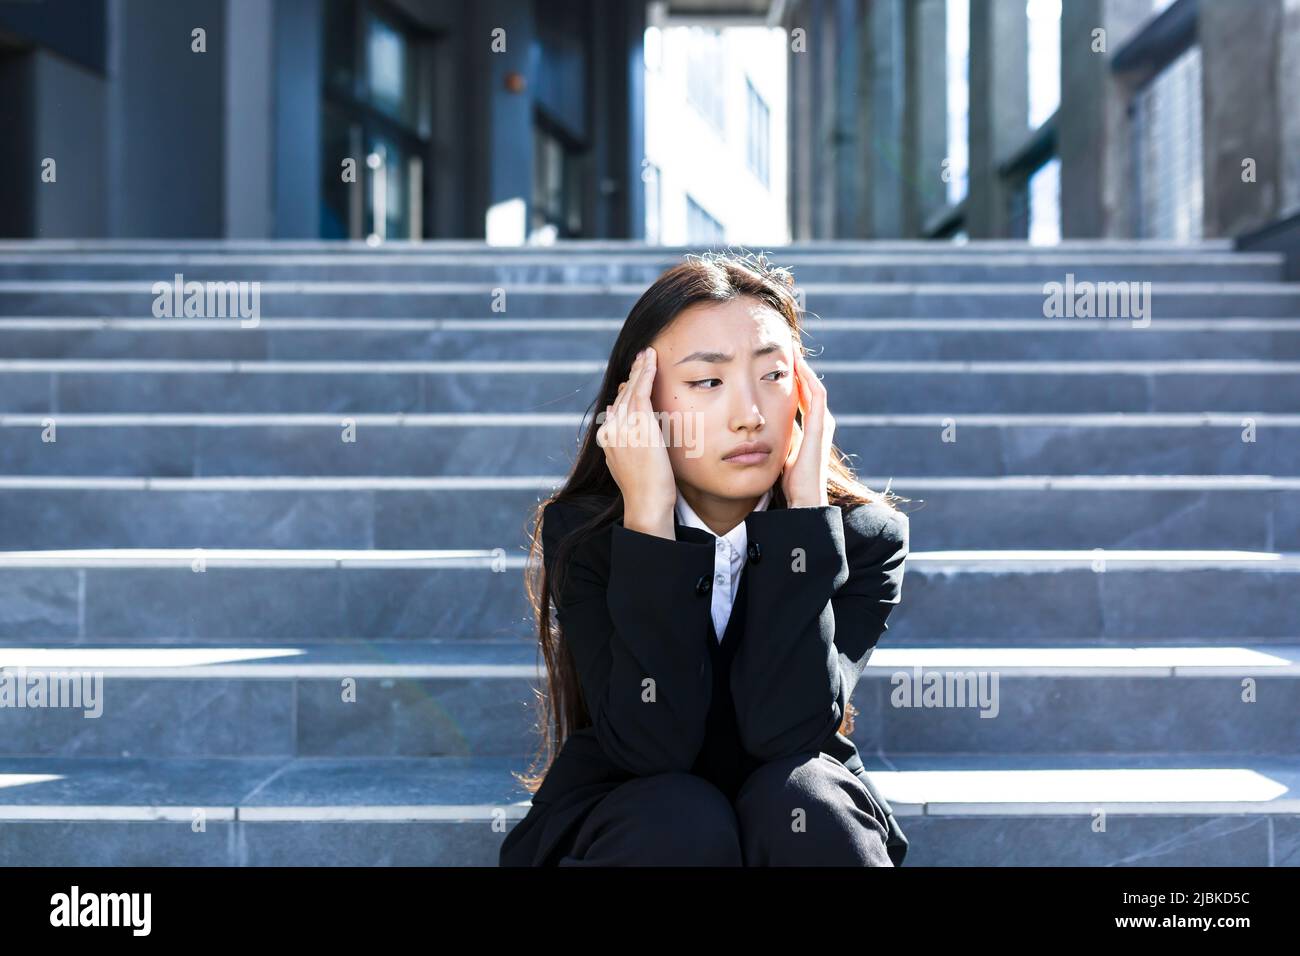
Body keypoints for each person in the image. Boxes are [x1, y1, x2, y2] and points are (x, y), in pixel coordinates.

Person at [499, 250, 911, 866]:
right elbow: (649, 746)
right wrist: (648, 523)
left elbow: (788, 732)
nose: (749, 415)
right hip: (631, 811)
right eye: (708, 382)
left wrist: (802, 520)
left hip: (796, 803)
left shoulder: (863, 539)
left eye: (773, 376)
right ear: (641, 405)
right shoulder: (588, 537)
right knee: (679, 817)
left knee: (806, 802)